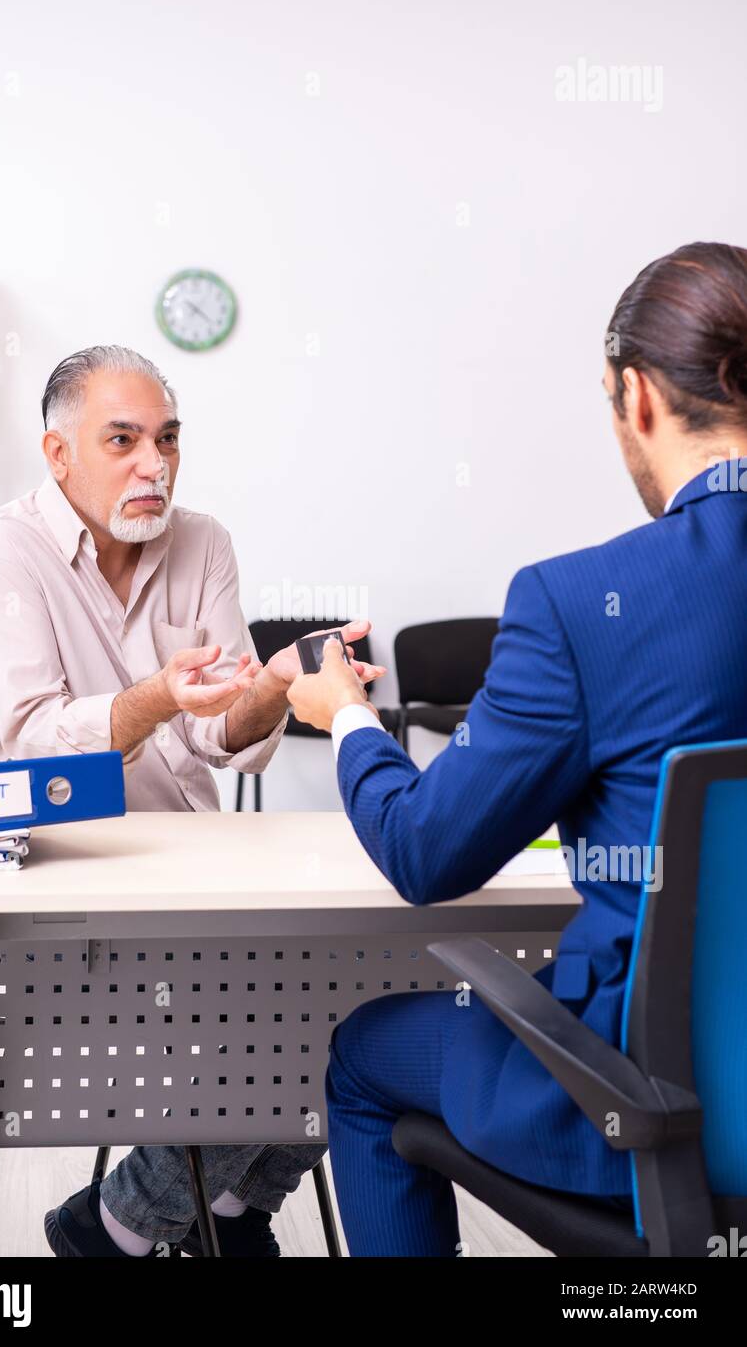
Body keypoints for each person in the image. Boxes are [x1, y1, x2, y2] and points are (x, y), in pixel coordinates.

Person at [287, 241, 747, 1256]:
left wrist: (346, 718)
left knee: (366, 1054)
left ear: (634, 397)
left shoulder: (579, 603)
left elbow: (426, 852)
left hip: (662, 1106)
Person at [0, 344, 385, 1257]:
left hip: (195, 876)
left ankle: (187, 1215)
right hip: (54, 896)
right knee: (294, 1013)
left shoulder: (202, 540)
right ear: (59, 454)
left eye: (168, 439)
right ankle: (152, 1218)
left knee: (365, 998)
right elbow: (29, 744)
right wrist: (154, 696)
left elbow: (218, 737)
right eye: (124, 440)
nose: (156, 464)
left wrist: (277, 683)